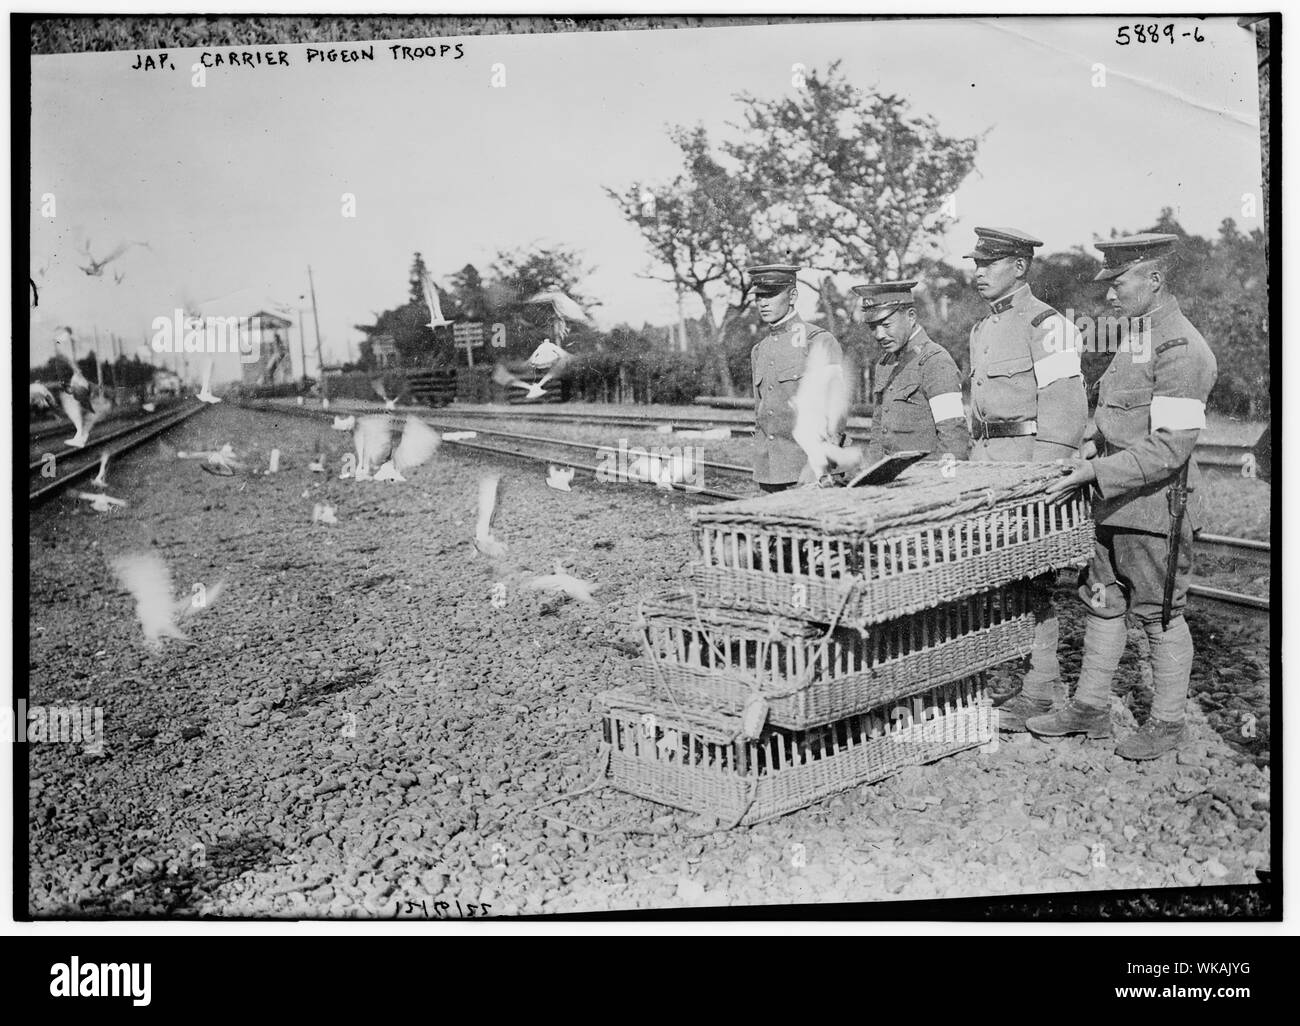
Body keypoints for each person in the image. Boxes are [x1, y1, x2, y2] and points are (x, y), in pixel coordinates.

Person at [1030, 233, 1218, 760]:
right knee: (1102, 600)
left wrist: (1092, 471)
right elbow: (1121, 420)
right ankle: (1090, 708)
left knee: (1160, 613)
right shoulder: (1137, 337)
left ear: (1154, 280)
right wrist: (1090, 444)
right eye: (1107, 284)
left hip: (1158, 507)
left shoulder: (1182, 348)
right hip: (1111, 499)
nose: (1109, 295)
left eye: (1119, 282)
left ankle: (1168, 721)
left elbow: (1170, 448)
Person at [963, 227, 1088, 729]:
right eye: (975, 263)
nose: (978, 272)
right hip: (988, 466)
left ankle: (1039, 688)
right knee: (1001, 582)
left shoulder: (1048, 325)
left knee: (1034, 583)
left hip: (1028, 470)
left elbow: (1064, 411)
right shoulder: (982, 330)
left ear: (1018, 267)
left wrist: (1046, 480)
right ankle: (1013, 680)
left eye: (988, 264)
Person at [747, 262, 844, 492]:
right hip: (770, 471)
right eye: (759, 297)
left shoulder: (818, 340)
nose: (763, 302)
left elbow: (836, 414)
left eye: (771, 295)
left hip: (807, 471)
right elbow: (760, 413)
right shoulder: (759, 350)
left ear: (792, 296)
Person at [853, 279, 970, 465]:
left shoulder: (935, 361)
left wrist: (942, 485)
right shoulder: (885, 364)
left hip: (924, 483)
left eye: (886, 324)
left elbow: (954, 439)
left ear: (911, 316)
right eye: (872, 327)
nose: (878, 335)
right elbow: (878, 434)